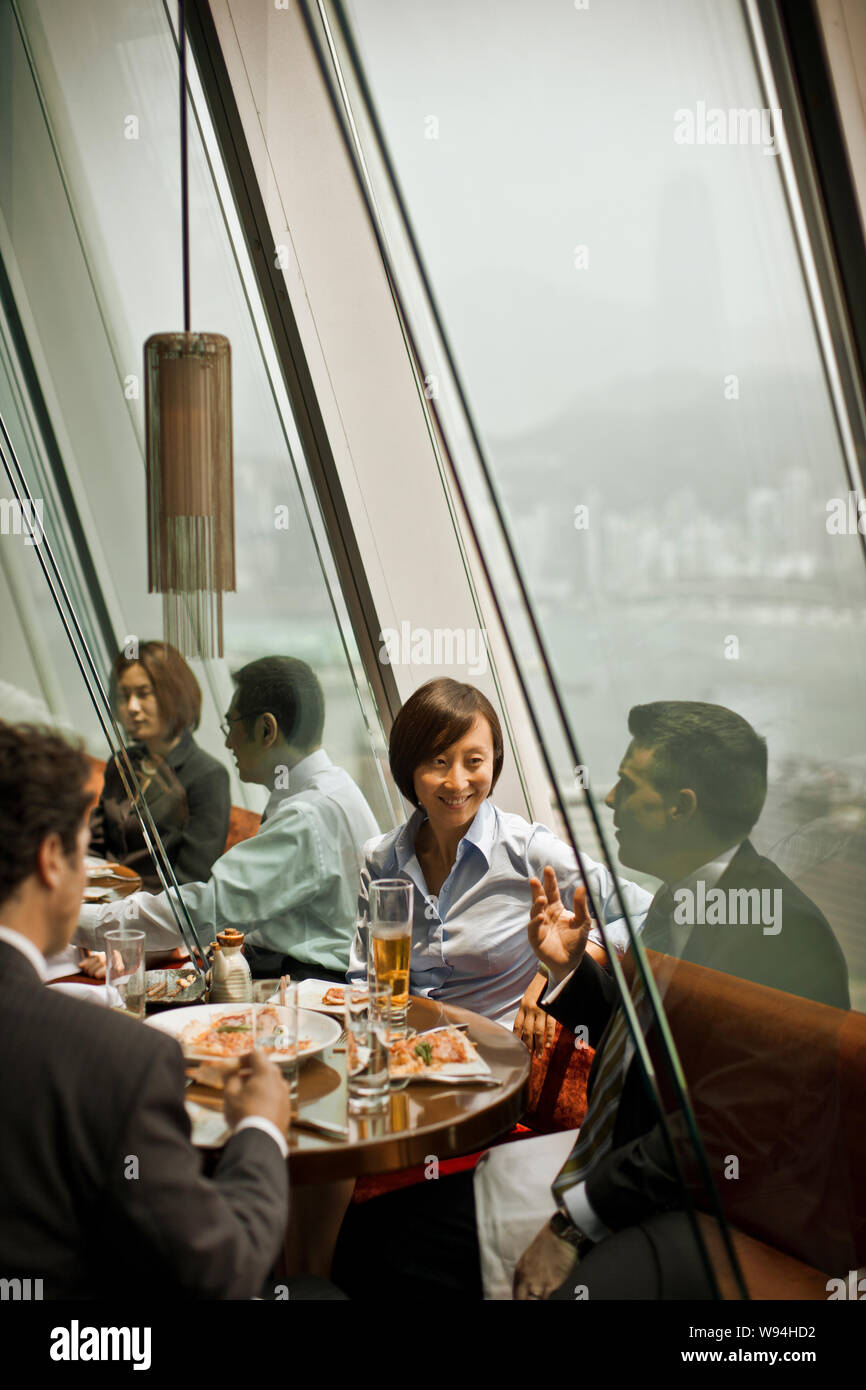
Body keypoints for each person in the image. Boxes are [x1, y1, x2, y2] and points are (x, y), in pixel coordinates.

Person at [333, 701, 850, 1300]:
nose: (607, 801)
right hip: (625, 1162)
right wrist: (569, 971)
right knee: (373, 1233)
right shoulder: (678, 903)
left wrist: (575, 1223)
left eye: (627, 786)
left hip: (719, 1206)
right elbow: (635, 1037)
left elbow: (728, 1135)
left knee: (403, 1252)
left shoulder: (779, 933)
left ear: (682, 807)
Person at [0, 720, 290, 1300]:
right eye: (84, 853)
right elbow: (222, 1272)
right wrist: (260, 1128)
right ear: (52, 859)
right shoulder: (119, 1062)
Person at [347, 678, 651, 1035]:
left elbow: (646, 912)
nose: (457, 782)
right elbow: (364, 983)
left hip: (502, 1067)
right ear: (408, 766)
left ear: (495, 762)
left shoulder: (528, 851)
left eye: (474, 761)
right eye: (438, 761)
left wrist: (559, 969)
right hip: (408, 1055)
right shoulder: (382, 860)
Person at [77, 656, 380, 983]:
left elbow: (206, 909)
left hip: (309, 987)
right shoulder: (335, 787)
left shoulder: (306, 816)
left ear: (266, 729)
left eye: (230, 724)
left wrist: (73, 919)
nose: (227, 742)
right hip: (297, 973)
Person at [89, 641, 231, 890]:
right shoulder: (121, 763)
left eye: (143, 694)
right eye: (124, 696)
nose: (132, 707)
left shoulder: (207, 775)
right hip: (101, 902)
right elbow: (94, 846)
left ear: (174, 694)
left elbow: (191, 882)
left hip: (155, 916)